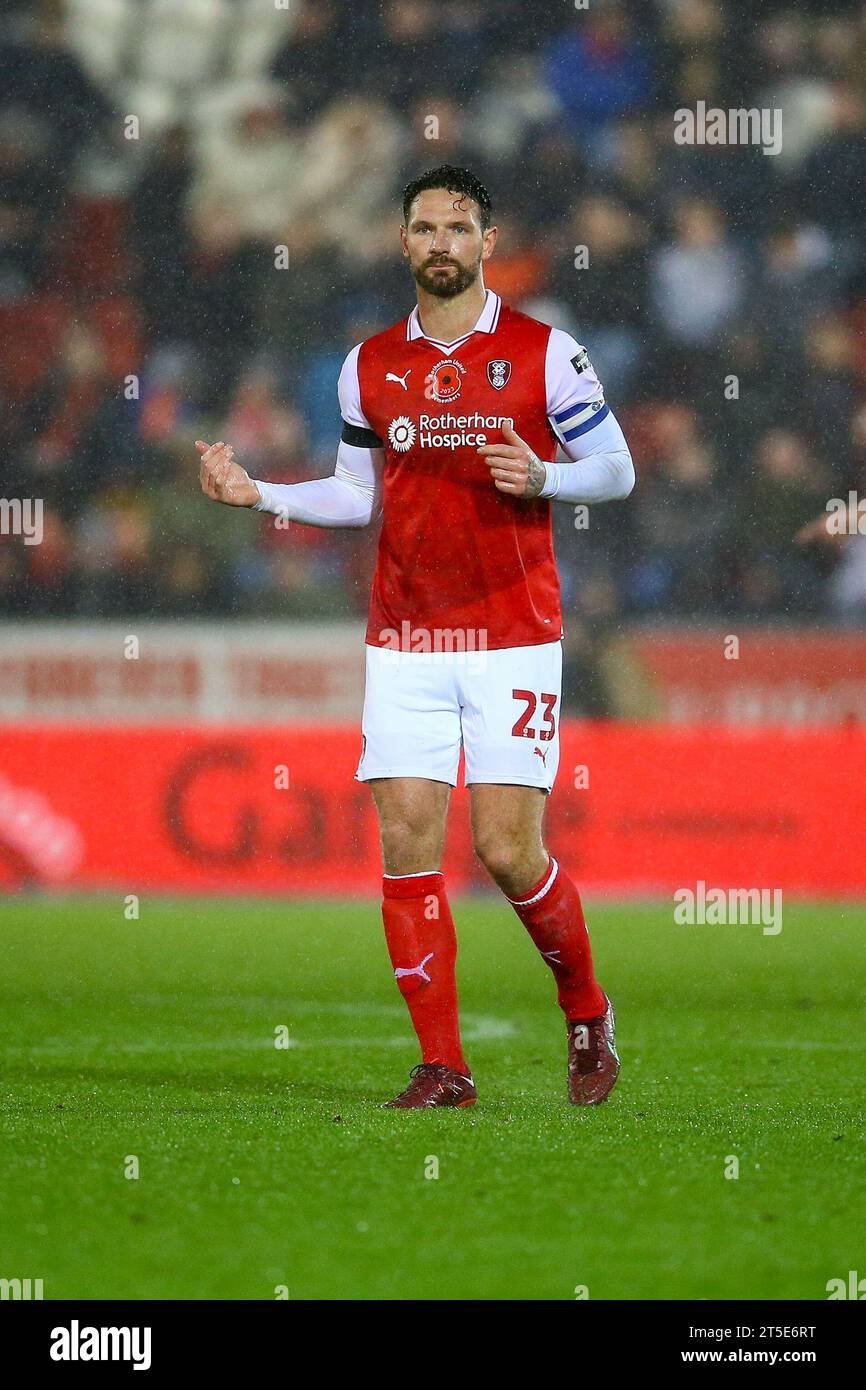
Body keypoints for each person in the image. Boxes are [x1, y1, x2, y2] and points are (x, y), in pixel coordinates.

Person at [197, 166, 635, 1109]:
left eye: (459, 227)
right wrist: (261, 493)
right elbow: (357, 496)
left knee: (510, 851)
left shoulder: (546, 352)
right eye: (425, 227)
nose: (441, 242)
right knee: (405, 842)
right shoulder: (368, 366)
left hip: (515, 635)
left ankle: (587, 1009)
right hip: (405, 638)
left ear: (486, 241)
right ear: (403, 243)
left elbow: (618, 469)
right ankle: (444, 1068)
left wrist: (546, 480)